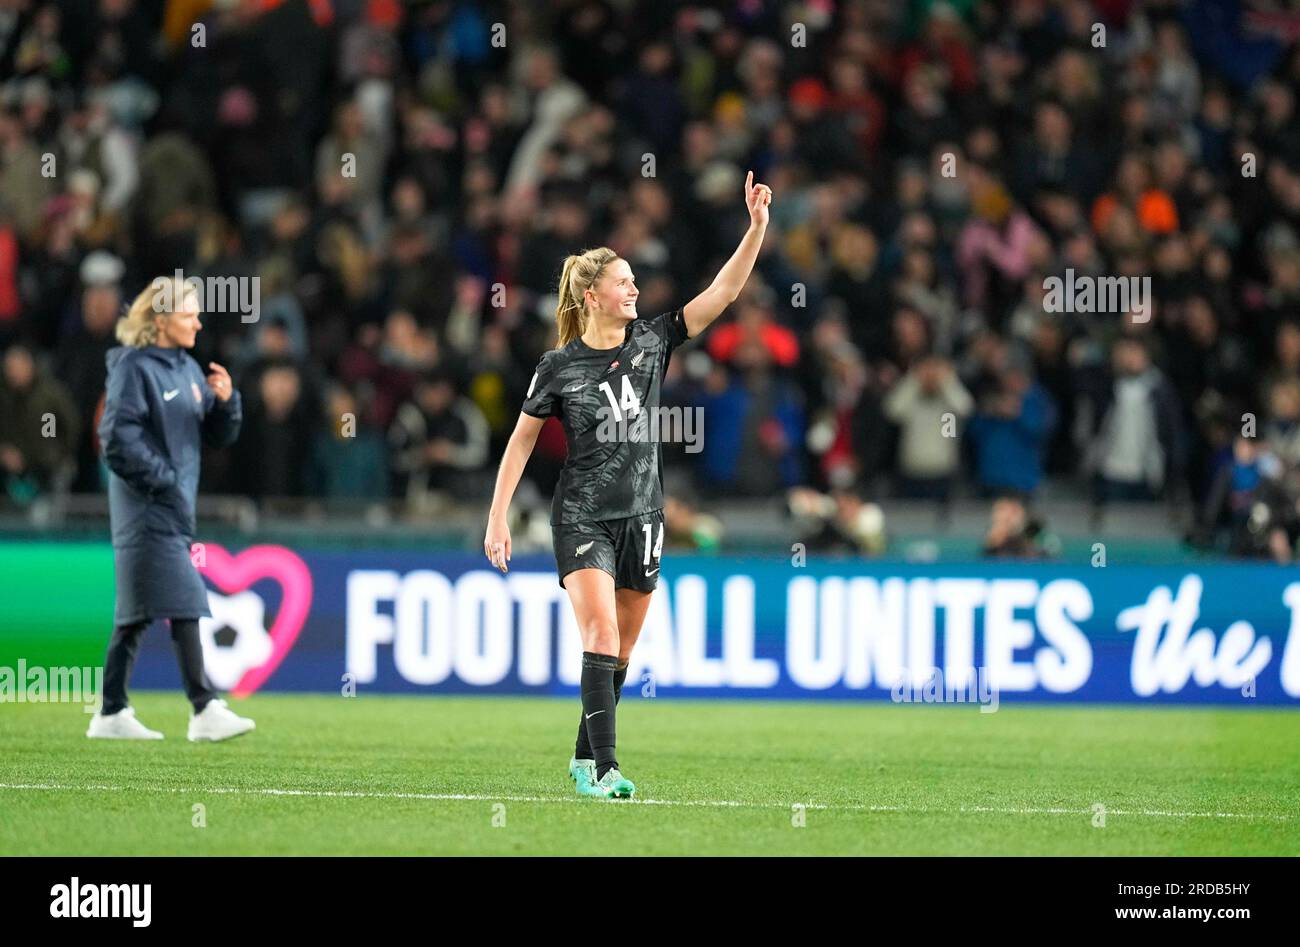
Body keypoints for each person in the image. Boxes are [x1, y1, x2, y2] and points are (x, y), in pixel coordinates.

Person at [484, 171, 772, 799]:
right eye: (623, 281)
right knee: (600, 634)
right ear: (591, 295)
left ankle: (583, 759)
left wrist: (754, 231)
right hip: (582, 513)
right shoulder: (558, 366)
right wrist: (498, 515)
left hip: (644, 513)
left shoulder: (652, 341)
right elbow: (522, 439)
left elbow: (721, 294)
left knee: (620, 654)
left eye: (634, 280)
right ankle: (607, 769)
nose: (634, 287)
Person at [87, 276, 255, 742]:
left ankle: (111, 711)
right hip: (146, 510)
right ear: (161, 319)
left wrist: (227, 404)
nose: (199, 322)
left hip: (174, 512)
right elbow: (116, 439)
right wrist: (163, 482)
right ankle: (204, 707)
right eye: (188, 313)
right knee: (186, 600)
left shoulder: (185, 370)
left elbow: (218, 438)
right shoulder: (132, 368)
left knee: (135, 615)